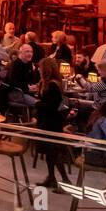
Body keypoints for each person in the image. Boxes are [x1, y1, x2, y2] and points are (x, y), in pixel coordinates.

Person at [35, 56, 74, 189]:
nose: (38, 70)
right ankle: (51, 177)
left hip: (51, 123)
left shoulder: (52, 85)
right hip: (47, 121)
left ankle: (65, 181)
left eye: (40, 68)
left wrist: (36, 103)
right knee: (49, 153)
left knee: (53, 153)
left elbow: (51, 105)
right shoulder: (50, 83)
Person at [3, 43, 39, 114]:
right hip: (15, 93)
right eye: (27, 51)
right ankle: (32, 121)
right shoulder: (15, 65)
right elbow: (13, 83)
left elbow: (32, 80)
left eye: (31, 52)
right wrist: (28, 87)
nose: (30, 54)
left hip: (27, 92)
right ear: (20, 53)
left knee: (45, 103)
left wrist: (35, 85)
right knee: (39, 105)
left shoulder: (29, 63)